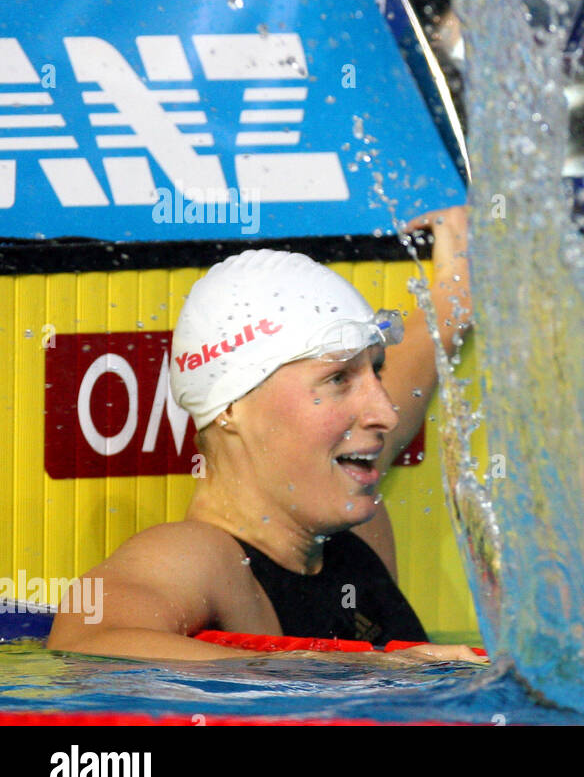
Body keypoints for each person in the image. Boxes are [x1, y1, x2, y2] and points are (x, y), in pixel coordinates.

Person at [48, 214, 477, 662]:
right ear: (233, 405)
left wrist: (459, 285)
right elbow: (86, 644)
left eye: (376, 370)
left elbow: (417, 362)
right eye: (337, 379)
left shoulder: (353, 508)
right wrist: (360, 667)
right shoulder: (203, 558)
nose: (384, 411)